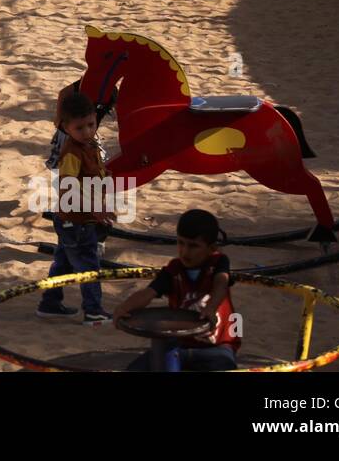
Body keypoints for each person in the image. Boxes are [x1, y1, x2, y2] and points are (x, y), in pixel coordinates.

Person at [115, 209, 241, 371]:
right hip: (178, 345)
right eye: (181, 243)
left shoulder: (218, 263)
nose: (185, 251)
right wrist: (124, 308)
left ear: (211, 248)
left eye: (193, 246)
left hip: (216, 347)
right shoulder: (174, 270)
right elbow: (148, 293)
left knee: (224, 365)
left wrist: (211, 307)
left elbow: (221, 284)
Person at [35, 91, 115, 324]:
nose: (87, 131)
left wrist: (104, 175)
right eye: (80, 128)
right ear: (65, 128)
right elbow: (68, 187)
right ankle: (93, 310)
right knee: (88, 264)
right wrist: (94, 209)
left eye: (91, 125)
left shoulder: (89, 144)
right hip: (76, 220)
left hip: (75, 219)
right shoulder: (72, 152)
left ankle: (50, 303)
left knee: (65, 262)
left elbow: (92, 173)